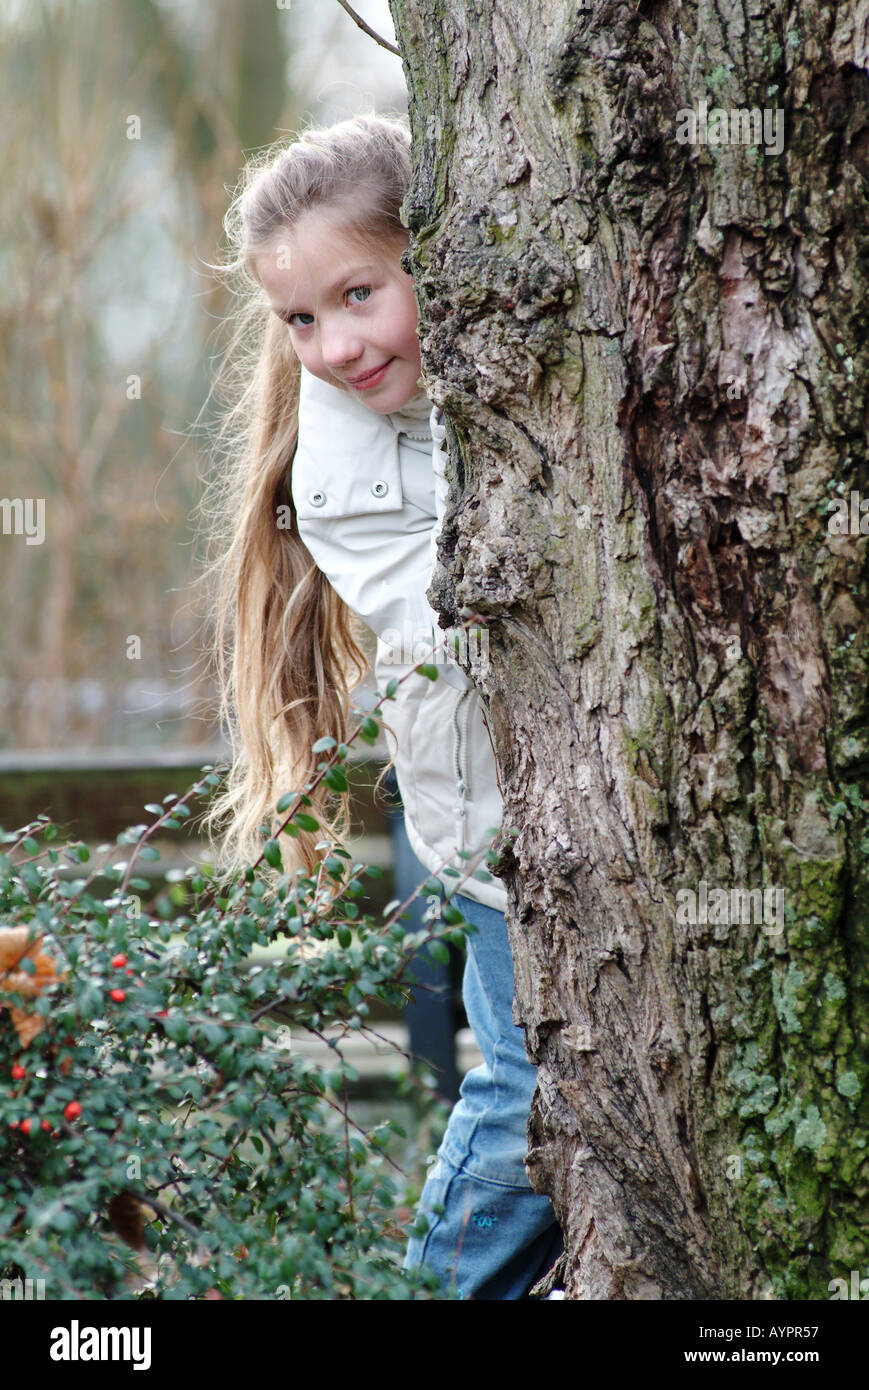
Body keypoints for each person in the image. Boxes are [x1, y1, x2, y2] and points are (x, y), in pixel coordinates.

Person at [204, 111, 563, 1299]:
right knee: (520, 1097)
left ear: (436, 257)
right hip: (501, 847)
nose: (333, 346)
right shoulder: (341, 463)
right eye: (301, 318)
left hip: (532, 827)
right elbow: (474, 624)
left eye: (360, 294)